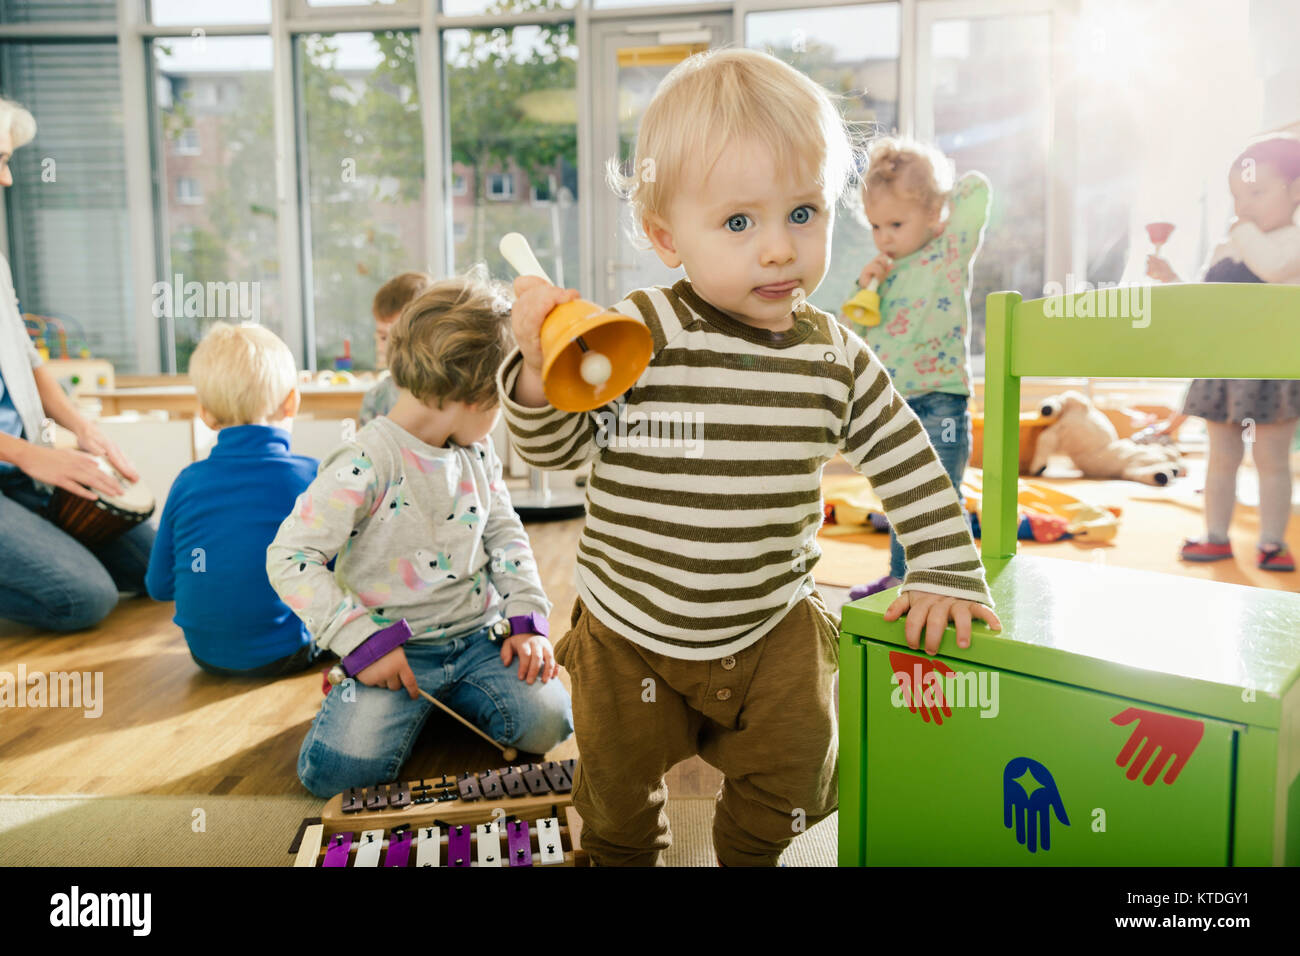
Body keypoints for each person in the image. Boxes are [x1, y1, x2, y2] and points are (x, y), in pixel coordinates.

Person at [500, 48, 1002, 866]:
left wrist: (944, 563)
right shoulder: (642, 332)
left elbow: (909, 452)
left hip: (771, 625)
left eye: (803, 212)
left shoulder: (835, 355)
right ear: (667, 236)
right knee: (617, 803)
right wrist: (536, 369)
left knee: (790, 789)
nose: (777, 249)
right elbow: (556, 445)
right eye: (739, 222)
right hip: (632, 629)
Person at [268, 269, 573, 798]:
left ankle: (442, 700)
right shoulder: (366, 461)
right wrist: (360, 641)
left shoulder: (476, 450)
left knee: (551, 723)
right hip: (395, 651)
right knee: (335, 777)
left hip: (480, 640)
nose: (502, 415)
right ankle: (381, 693)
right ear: (476, 395)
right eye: (504, 399)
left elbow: (504, 530)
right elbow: (290, 557)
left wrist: (527, 617)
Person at [0, 95, 155, 632]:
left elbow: (24, 354)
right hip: (18, 463)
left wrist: (82, 429)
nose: (8, 180)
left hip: (19, 470)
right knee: (83, 599)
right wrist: (28, 456)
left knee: (155, 569)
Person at [1148, 134, 1300, 572]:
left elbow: (1271, 270)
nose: (1243, 206)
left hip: (1274, 368)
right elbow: (1204, 303)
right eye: (1236, 196)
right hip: (1223, 367)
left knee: (1271, 459)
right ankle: (1215, 536)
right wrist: (1172, 279)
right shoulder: (1226, 247)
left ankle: (1272, 542)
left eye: (1256, 193)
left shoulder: (1290, 242)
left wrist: (1244, 229)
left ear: (1294, 192)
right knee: (1221, 457)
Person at [846, 137, 991, 597]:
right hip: (895, 404)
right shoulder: (883, 272)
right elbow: (861, 334)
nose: (884, 236)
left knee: (942, 497)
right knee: (902, 496)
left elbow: (978, 190)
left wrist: (932, 193)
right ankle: (901, 576)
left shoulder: (949, 251)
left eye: (896, 222)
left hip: (942, 399)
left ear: (932, 214)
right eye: (875, 225)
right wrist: (867, 285)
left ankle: (950, 580)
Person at [145, 322, 321, 676]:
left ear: (205, 414)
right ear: (292, 402)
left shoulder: (187, 481)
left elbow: (159, 586)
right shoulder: (312, 477)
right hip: (286, 651)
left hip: (204, 656)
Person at [358, 271, 434, 426]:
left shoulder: (447, 400)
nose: (390, 348)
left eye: (399, 338)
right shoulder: (375, 399)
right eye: (384, 337)